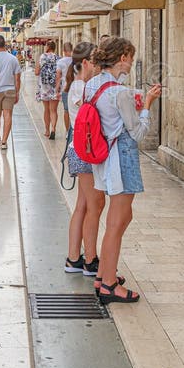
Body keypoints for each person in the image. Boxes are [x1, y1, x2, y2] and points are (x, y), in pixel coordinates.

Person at [85, 38, 161, 304]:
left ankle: (104, 273)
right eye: (130, 57)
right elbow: (138, 132)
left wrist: (134, 104)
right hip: (122, 158)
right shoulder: (120, 92)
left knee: (122, 218)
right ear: (120, 58)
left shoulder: (93, 85)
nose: (131, 61)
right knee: (117, 223)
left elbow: (109, 118)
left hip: (102, 158)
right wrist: (148, 104)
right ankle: (108, 285)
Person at [62, 41, 106, 280]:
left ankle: (74, 257)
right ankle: (90, 259)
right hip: (84, 152)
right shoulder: (81, 88)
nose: (99, 67)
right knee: (94, 204)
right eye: (96, 62)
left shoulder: (78, 85)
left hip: (78, 150)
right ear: (87, 63)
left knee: (83, 205)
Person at [35, 41, 60, 140]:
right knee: (53, 110)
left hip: (44, 86)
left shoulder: (42, 57)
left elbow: (37, 72)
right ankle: (53, 129)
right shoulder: (58, 58)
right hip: (55, 86)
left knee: (46, 110)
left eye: (46, 45)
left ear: (48, 47)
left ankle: (47, 130)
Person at [55, 41, 74, 134]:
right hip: (74, 88)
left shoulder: (60, 62)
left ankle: (67, 132)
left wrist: (57, 90)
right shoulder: (75, 60)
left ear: (63, 51)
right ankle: (74, 128)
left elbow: (58, 77)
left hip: (65, 88)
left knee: (66, 110)